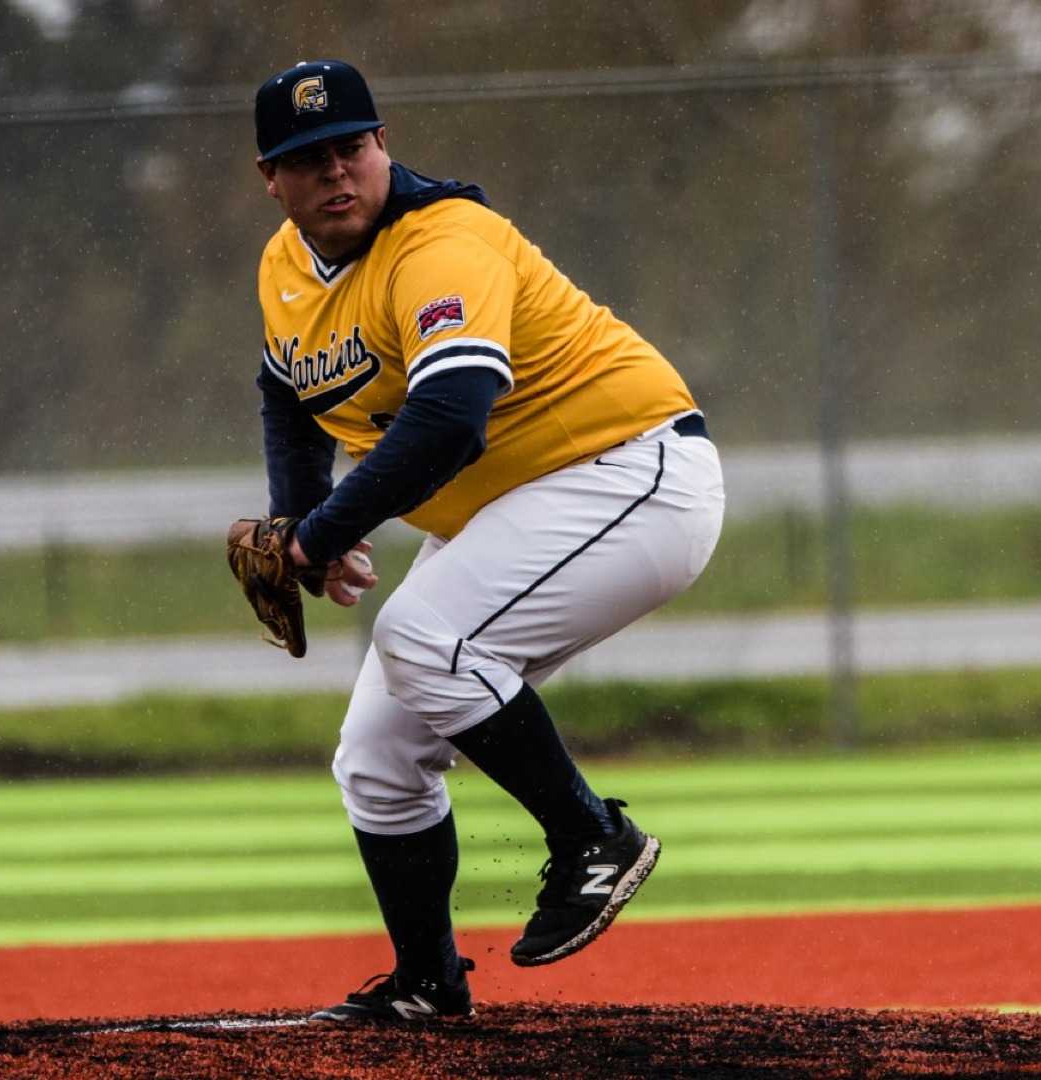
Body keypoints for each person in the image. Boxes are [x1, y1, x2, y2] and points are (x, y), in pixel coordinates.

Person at [246, 59, 725, 1023]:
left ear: (383, 145)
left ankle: (594, 837)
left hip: (630, 472)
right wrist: (305, 519)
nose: (336, 173)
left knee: (422, 636)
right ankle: (428, 982)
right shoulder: (286, 267)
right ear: (272, 176)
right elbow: (288, 394)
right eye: (309, 160)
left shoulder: (443, 244)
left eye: (352, 148)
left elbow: (450, 418)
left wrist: (321, 536)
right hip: (517, 508)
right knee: (376, 758)